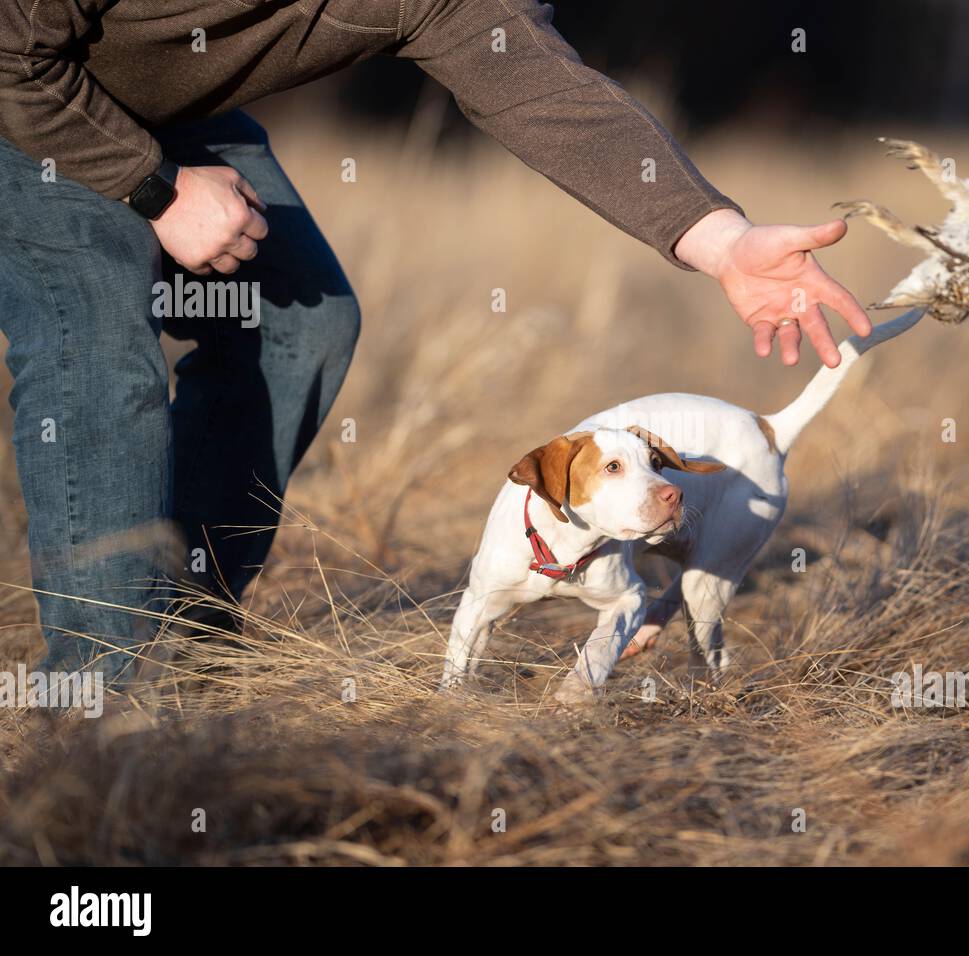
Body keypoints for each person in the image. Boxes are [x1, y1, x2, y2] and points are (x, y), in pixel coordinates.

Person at [0, 0, 872, 687]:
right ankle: (102, 688)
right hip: (23, 99)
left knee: (302, 321)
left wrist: (719, 240)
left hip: (161, 108)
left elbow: (540, 87)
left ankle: (183, 639)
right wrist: (155, 187)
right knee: (97, 341)